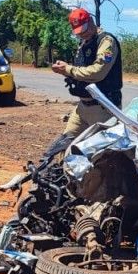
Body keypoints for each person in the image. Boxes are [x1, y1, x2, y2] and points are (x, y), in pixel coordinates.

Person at [43, 8, 123, 160]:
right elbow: (81, 68)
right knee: (64, 145)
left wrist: (68, 69)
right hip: (83, 107)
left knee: (103, 155)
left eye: (84, 30)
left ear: (91, 21)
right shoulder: (84, 42)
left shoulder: (106, 41)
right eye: (78, 32)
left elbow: (98, 72)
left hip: (103, 108)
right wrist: (67, 68)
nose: (81, 34)